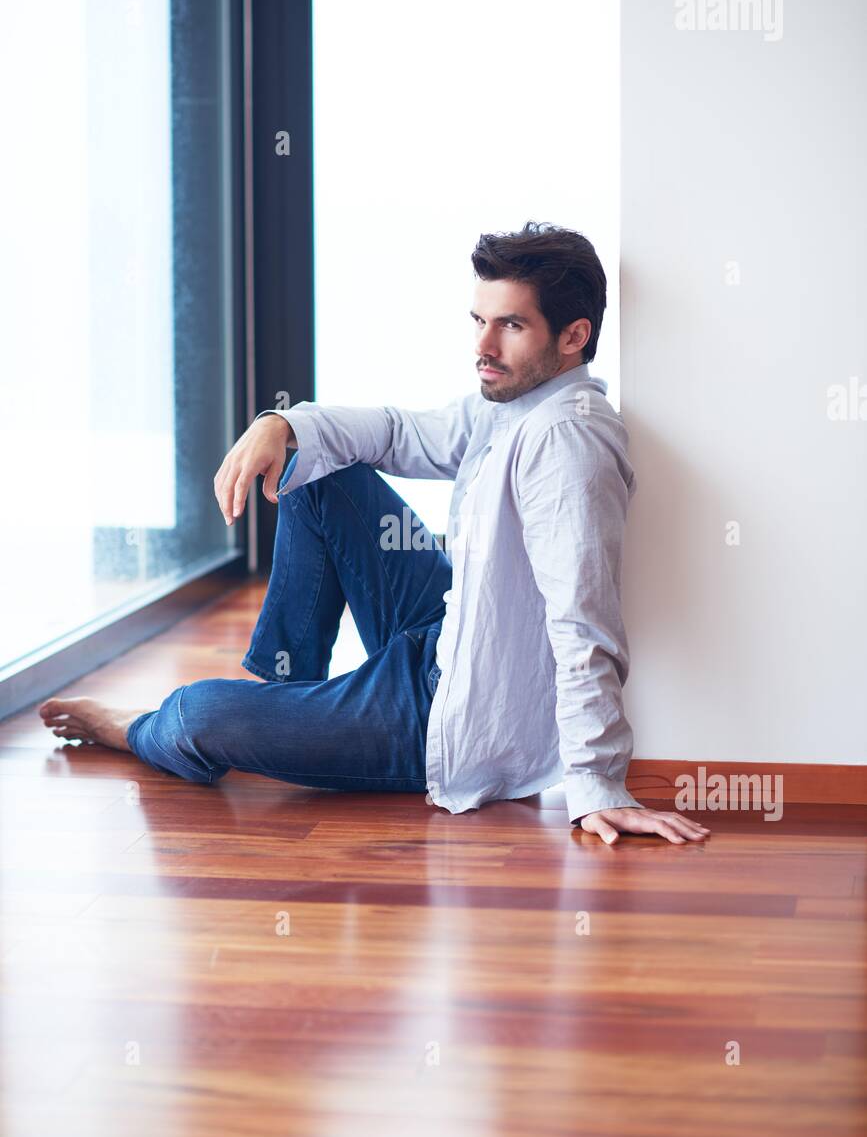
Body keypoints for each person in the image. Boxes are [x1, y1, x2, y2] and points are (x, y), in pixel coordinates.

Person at [40, 222, 709, 846]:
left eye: (510, 326)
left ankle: (153, 729)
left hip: (442, 712)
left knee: (195, 716)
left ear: (572, 337)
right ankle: (282, 696)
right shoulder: (513, 405)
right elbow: (398, 432)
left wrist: (595, 783)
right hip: (442, 631)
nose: (481, 346)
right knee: (315, 470)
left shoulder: (566, 445)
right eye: (478, 320)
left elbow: (582, 623)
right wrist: (284, 424)